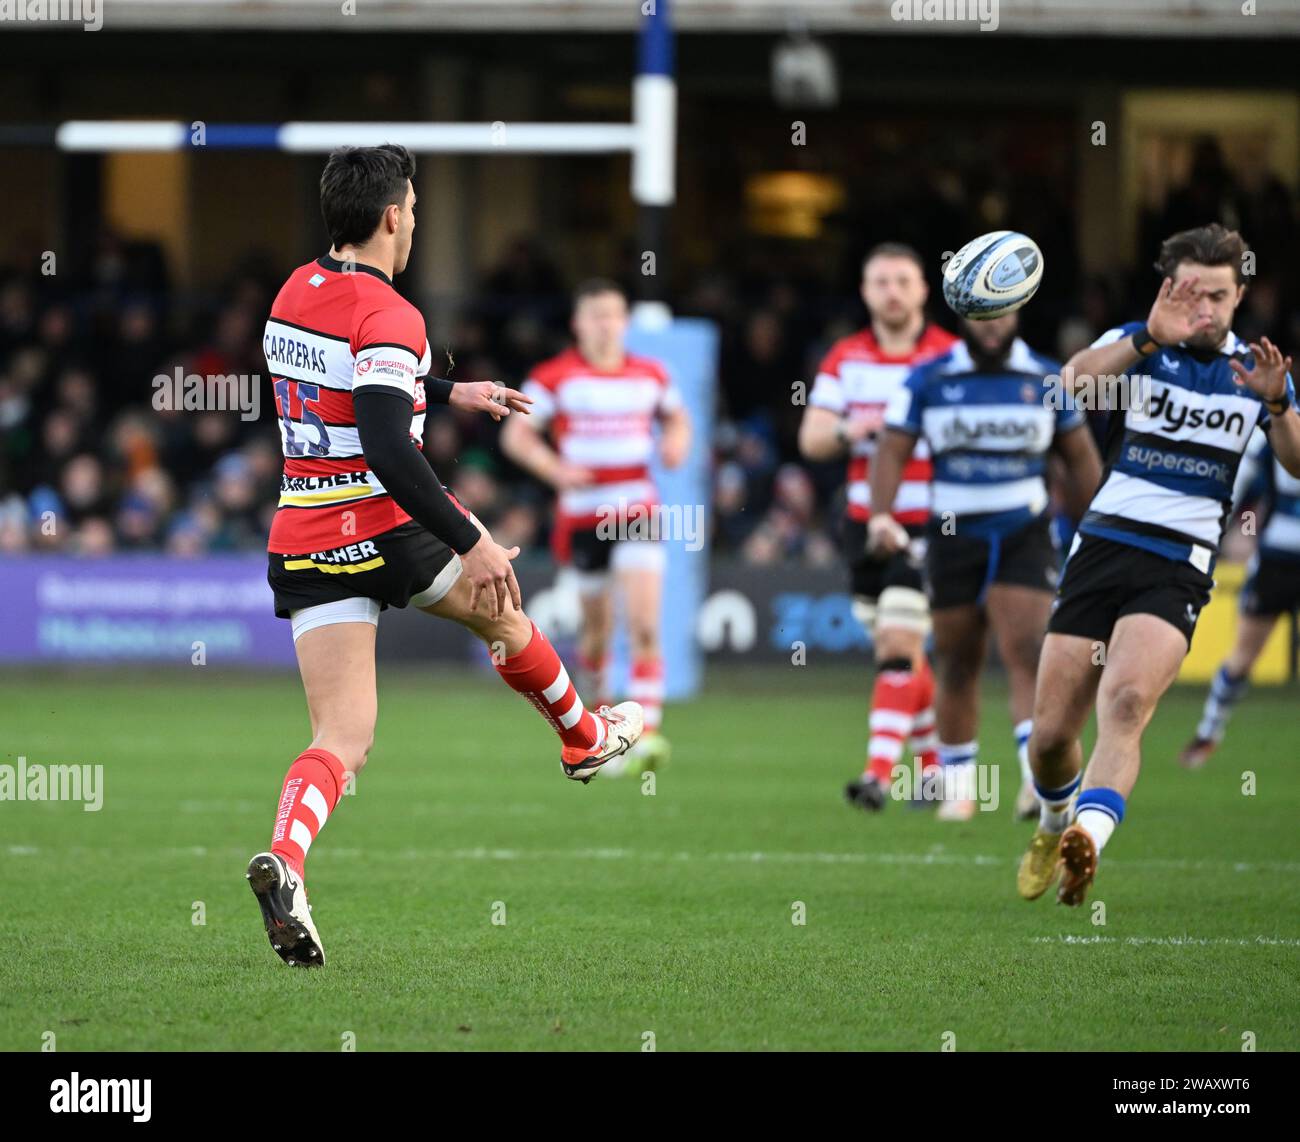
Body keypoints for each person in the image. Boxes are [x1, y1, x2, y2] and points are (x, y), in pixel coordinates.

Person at [247, 146, 643, 967]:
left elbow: (348, 385)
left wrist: (445, 389)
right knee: (503, 615)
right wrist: (474, 538)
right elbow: (388, 443)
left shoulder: (295, 290)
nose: (417, 220)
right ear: (393, 215)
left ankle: (286, 859)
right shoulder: (392, 315)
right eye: (416, 208)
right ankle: (582, 738)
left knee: (342, 736)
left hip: (306, 532)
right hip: (386, 523)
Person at [1018, 223, 1300, 906]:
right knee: (1053, 735)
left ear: (1241, 296)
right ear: (1168, 290)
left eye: (1220, 296)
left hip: (1178, 561)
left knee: (1126, 702)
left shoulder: (1256, 372)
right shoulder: (1139, 348)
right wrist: (1147, 336)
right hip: (1104, 546)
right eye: (1192, 294)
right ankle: (1055, 821)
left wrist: (1279, 401)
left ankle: (1088, 836)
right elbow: (1069, 390)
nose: (1205, 310)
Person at [869, 312, 1101, 821]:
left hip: (1024, 529)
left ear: (1019, 314)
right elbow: (891, 448)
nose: (993, 329)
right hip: (953, 533)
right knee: (956, 658)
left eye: (1004, 316)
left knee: (1026, 648)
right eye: (982, 319)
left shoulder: (1045, 379)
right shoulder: (928, 379)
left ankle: (1032, 781)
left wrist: (1100, 526)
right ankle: (959, 789)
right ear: (963, 319)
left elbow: (1081, 456)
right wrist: (881, 514)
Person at [501, 279, 690, 775]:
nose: (606, 325)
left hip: (636, 510)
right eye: (596, 316)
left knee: (645, 623)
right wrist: (555, 470)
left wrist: (677, 443)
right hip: (584, 516)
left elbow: (679, 420)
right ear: (578, 324)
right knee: (596, 635)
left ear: (625, 322)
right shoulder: (557, 376)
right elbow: (517, 434)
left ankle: (647, 734)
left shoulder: (651, 373)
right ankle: (603, 734)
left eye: (614, 315)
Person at [798, 243, 958, 812]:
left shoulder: (950, 357)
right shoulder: (846, 358)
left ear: (923, 290)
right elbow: (812, 438)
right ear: (866, 293)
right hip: (866, 524)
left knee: (897, 642)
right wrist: (853, 428)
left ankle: (877, 776)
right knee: (903, 653)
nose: (892, 291)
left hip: (934, 522)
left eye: (903, 281)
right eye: (880, 282)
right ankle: (936, 769)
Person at [1179, 428, 1300, 767]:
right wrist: (1225, 533)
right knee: (1244, 656)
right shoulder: (1275, 429)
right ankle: (1208, 732)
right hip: (1278, 556)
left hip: (1277, 552)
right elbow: (1239, 487)